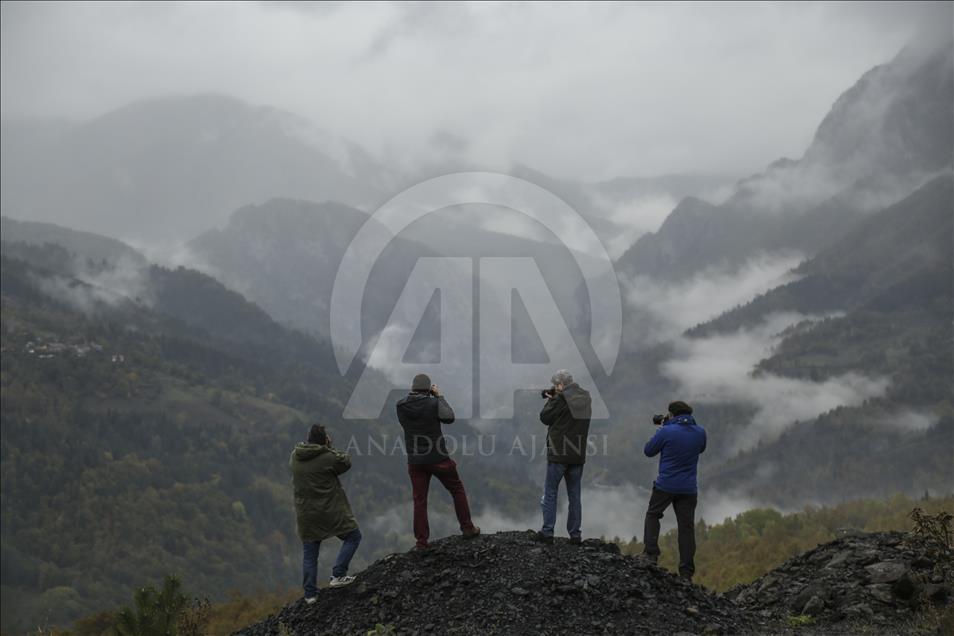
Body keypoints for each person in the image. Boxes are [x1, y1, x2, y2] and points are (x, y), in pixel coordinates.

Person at [396, 373, 481, 549]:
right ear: (429, 389)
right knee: (457, 489)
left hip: (415, 460)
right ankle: (467, 527)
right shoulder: (433, 403)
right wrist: (439, 396)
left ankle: (421, 542)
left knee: (419, 500)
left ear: (412, 388)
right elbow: (449, 417)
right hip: (438, 457)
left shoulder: (401, 405)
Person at [290, 423, 362, 603]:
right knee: (353, 536)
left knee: (310, 554)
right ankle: (338, 574)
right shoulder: (327, 457)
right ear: (324, 440)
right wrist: (329, 447)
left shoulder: (295, 456)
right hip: (330, 511)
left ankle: (310, 595)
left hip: (306, 514)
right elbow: (346, 462)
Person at [641, 400, 707, 580]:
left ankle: (651, 555)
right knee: (686, 528)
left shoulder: (667, 431)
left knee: (653, 514)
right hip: (688, 488)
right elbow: (700, 449)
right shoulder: (700, 432)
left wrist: (662, 429)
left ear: (671, 414)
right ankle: (686, 571)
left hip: (666, 485)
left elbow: (648, 450)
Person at [534, 369, 592, 545]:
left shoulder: (560, 398)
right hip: (577, 453)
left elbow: (544, 417)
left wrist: (552, 399)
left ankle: (547, 532)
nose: (554, 387)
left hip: (559, 453)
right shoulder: (586, 397)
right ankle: (575, 535)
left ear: (560, 384)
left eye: (555, 384)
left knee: (551, 493)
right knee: (574, 495)